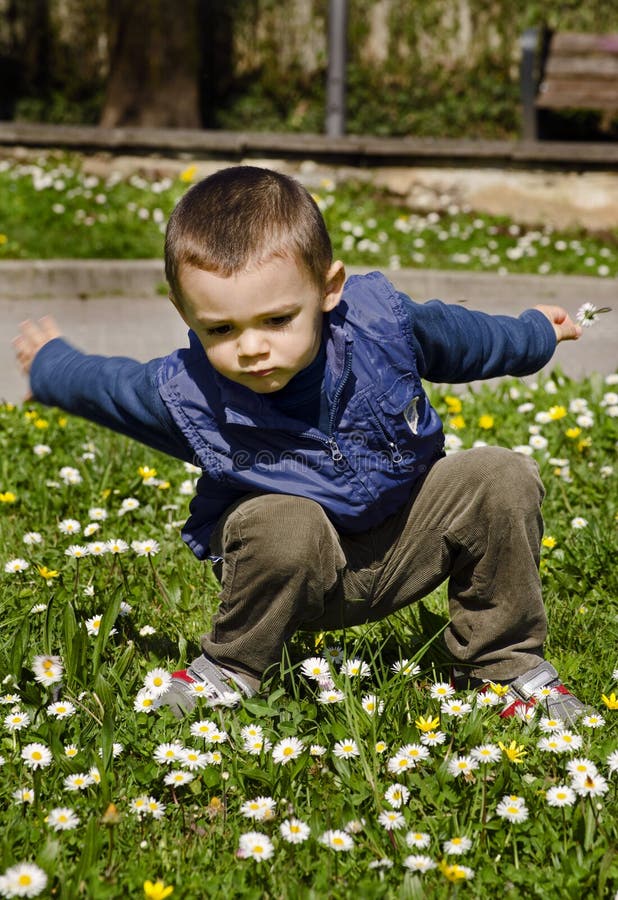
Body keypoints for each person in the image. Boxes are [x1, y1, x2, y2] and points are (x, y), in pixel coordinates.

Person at [13, 165, 589, 723]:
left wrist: (535, 332)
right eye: (221, 329)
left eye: (277, 319)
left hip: (406, 540)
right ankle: (232, 666)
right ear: (184, 311)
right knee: (286, 522)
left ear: (328, 288)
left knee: (500, 474)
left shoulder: (380, 325)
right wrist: (50, 364)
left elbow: (466, 339)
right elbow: (107, 388)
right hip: (294, 575)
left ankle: (502, 666)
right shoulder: (192, 394)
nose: (251, 348)